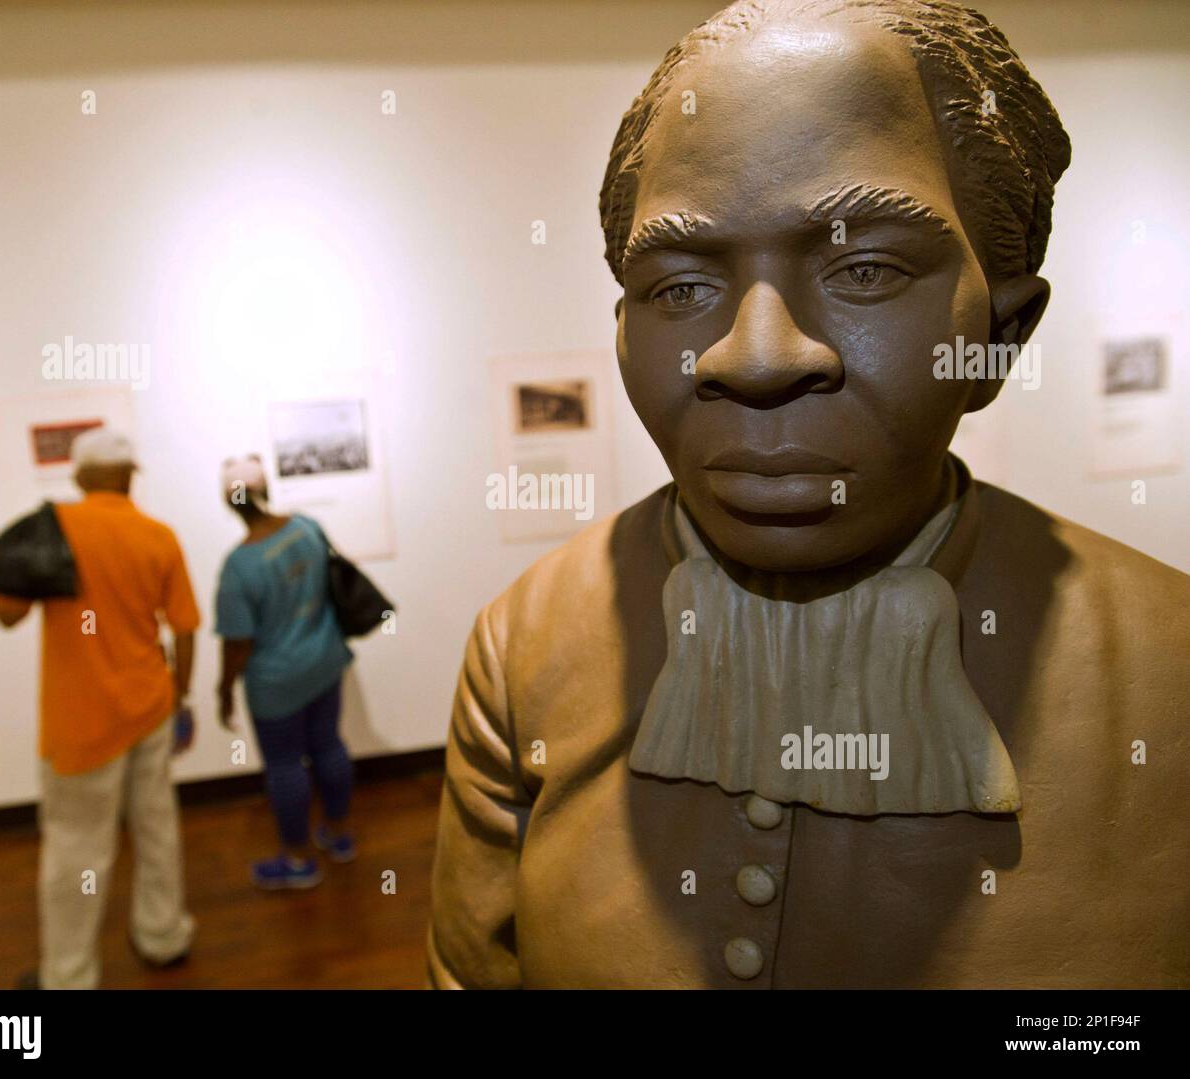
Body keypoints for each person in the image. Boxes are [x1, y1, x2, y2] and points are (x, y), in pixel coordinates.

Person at [428, 0, 1190, 987]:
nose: (755, 356)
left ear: (1000, 335)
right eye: (681, 286)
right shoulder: (526, 644)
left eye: (865, 266)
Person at [0, 428, 199, 989]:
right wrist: (181, 696)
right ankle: (164, 937)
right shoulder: (159, 536)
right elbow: (184, 627)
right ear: (132, 475)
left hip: (81, 719)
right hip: (150, 704)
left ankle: (70, 975)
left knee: (77, 848)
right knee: (156, 827)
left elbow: (6, 614)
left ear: (81, 477)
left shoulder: (54, 530)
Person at [215, 455, 356, 891]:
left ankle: (297, 860)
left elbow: (237, 642)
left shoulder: (239, 567)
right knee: (329, 745)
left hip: (277, 682)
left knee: (284, 766)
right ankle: (337, 835)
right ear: (266, 489)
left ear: (230, 503)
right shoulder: (306, 528)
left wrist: (223, 691)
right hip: (325, 661)